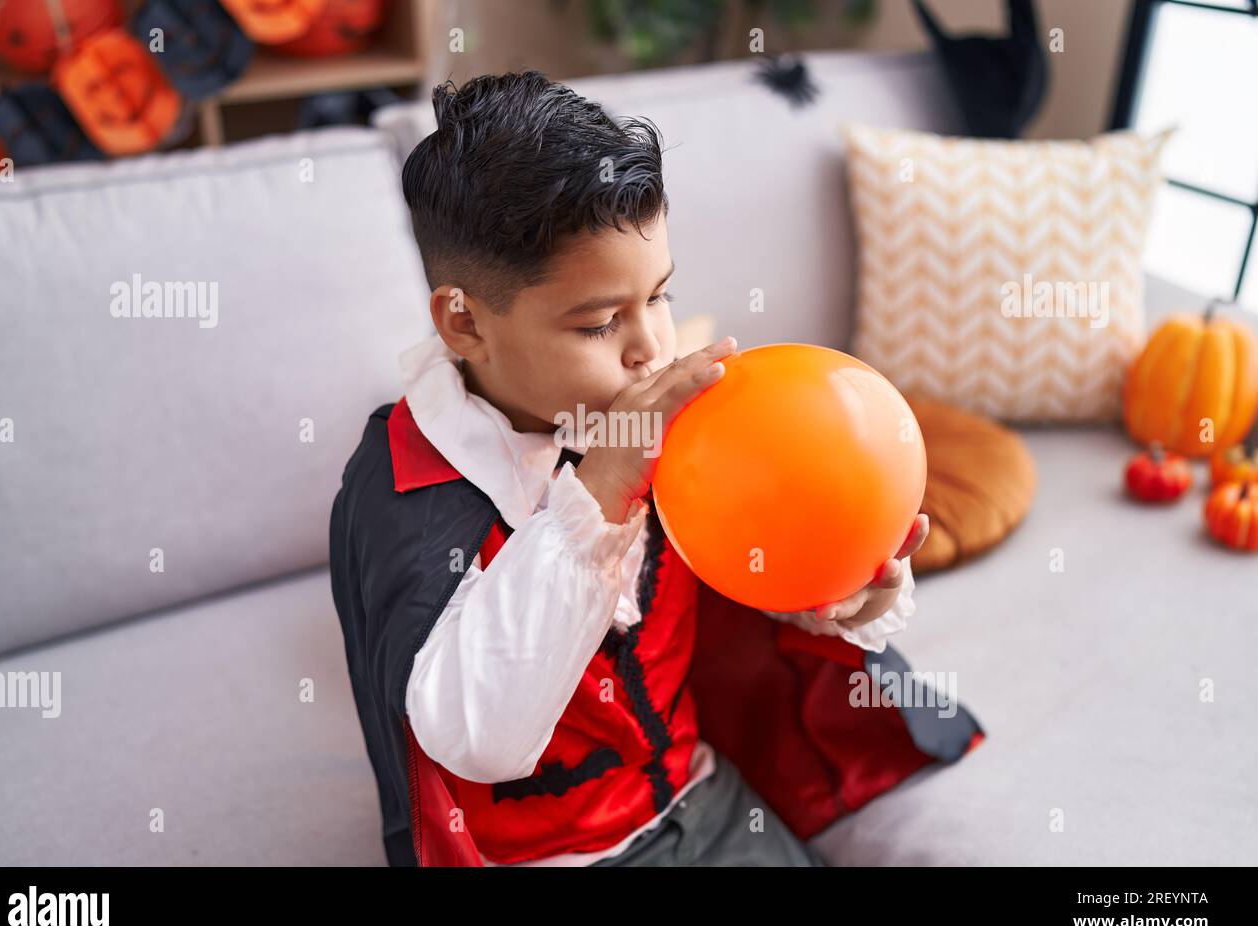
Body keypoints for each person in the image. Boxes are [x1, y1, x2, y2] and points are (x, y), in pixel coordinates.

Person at [328, 70, 981, 868]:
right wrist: (601, 487)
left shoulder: (675, 418)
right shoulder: (404, 488)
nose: (649, 349)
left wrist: (842, 597)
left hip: (702, 802)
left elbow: (750, 568)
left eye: (660, 297)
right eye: (602, 322)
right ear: (464, 321)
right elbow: (476, 738)